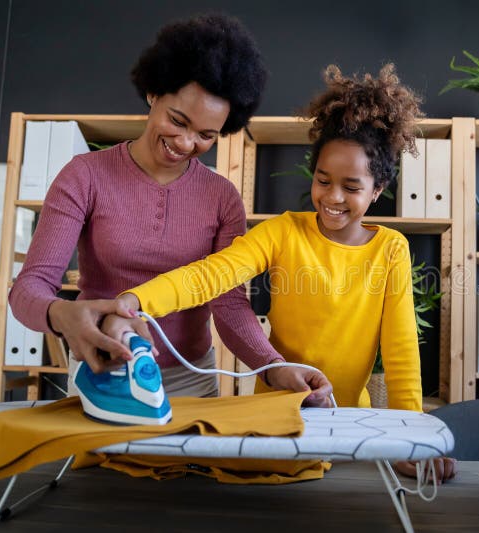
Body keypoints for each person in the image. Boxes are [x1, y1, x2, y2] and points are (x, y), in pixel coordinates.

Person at [103, 63, 457, 481]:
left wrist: (408, 436)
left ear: (377, 190)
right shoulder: (283, 232)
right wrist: (137, 300)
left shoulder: (390, 250)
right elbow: (210, 275)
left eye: (352, 186)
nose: (333, 197)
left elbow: (400, 353)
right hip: (276, 416)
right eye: (323, 180)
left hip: (350, 425)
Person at [8, 14, 331, 404]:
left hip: (193, 380)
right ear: (153, 93)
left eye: (206, 135)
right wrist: (60, 315)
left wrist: (273, 366)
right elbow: (29, 287)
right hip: (105, 371)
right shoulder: (85, 176)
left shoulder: (221, 197)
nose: (185, 141)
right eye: (177, 120)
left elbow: (227, 303)